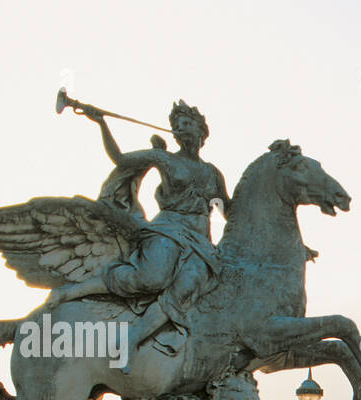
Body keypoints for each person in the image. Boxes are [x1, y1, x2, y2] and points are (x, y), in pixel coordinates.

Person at [49, 100, 230, 368]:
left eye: (188, 125)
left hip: (201, 243)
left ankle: (138, 338)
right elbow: (121, 159)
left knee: (190, 285)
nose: (183, 130)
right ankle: (83, 291)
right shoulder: (164, 159)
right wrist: (101, 123)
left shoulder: (212, 173)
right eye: (178, 127)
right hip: (168, 230)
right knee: (151, 278)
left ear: (203, 131)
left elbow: (226, 207)